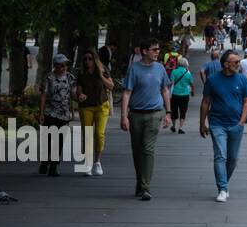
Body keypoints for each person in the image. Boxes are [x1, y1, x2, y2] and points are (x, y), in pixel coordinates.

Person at [122, 41, 172, 199]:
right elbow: (127, 93)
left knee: (148, 149)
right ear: (144, 51)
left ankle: (145, 187)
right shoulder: (134, 69)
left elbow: (165, 90)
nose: (158, 52)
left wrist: (168, 113)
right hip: (136, 115)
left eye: (158, 49)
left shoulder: (160, 68)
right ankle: (140, 181)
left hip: (154, 114)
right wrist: (123, 116)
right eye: (154, 49)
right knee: (137, 151)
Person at [200, 50, 247, 202]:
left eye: (239, 61)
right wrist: (202, 123)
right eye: (236, 62)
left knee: (233, 159)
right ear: (226, 64)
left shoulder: (242, 79)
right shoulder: (212, 80)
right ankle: (222, 188)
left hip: (236, 124)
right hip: (217, 123)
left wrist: (242, 122)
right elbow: (205, 102)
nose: (239, 64)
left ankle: (224, 183)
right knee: (220, 156)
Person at [75, 48, 114, 176]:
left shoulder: (103, 70)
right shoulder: (82, 73)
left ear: (95, 60)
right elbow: (79, 89)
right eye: (85, 59)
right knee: (87, 135)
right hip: (86, 106)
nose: (87, 61)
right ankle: (88, 163)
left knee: (99, 134)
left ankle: (97, 162)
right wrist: (80, 94)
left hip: (101, 106)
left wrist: (101, 76)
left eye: (90, 59)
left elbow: (111, 86)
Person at [39, 53, 75, 177]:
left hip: (64, 114)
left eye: (65, 65)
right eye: (61, 65)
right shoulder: (48, 77)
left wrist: (79, 98)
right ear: (55, 66)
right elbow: (43, 95)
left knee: (59, 141)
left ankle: (53, 167)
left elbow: (72, 94)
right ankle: (45, 162)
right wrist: (41, 113)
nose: (64, 68)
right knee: (48, 139)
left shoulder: (70, 77)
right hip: (50, 112)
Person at [168, 54, 195, 134]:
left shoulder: (174, 71)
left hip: (175, 94)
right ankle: (180, 128)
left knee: (174, 110)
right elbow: (191, 84)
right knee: (183, 111)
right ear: (186, 64)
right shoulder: (188, 73)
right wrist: (192, 91)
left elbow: (171, 83)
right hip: (185, 95)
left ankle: (173, 126)